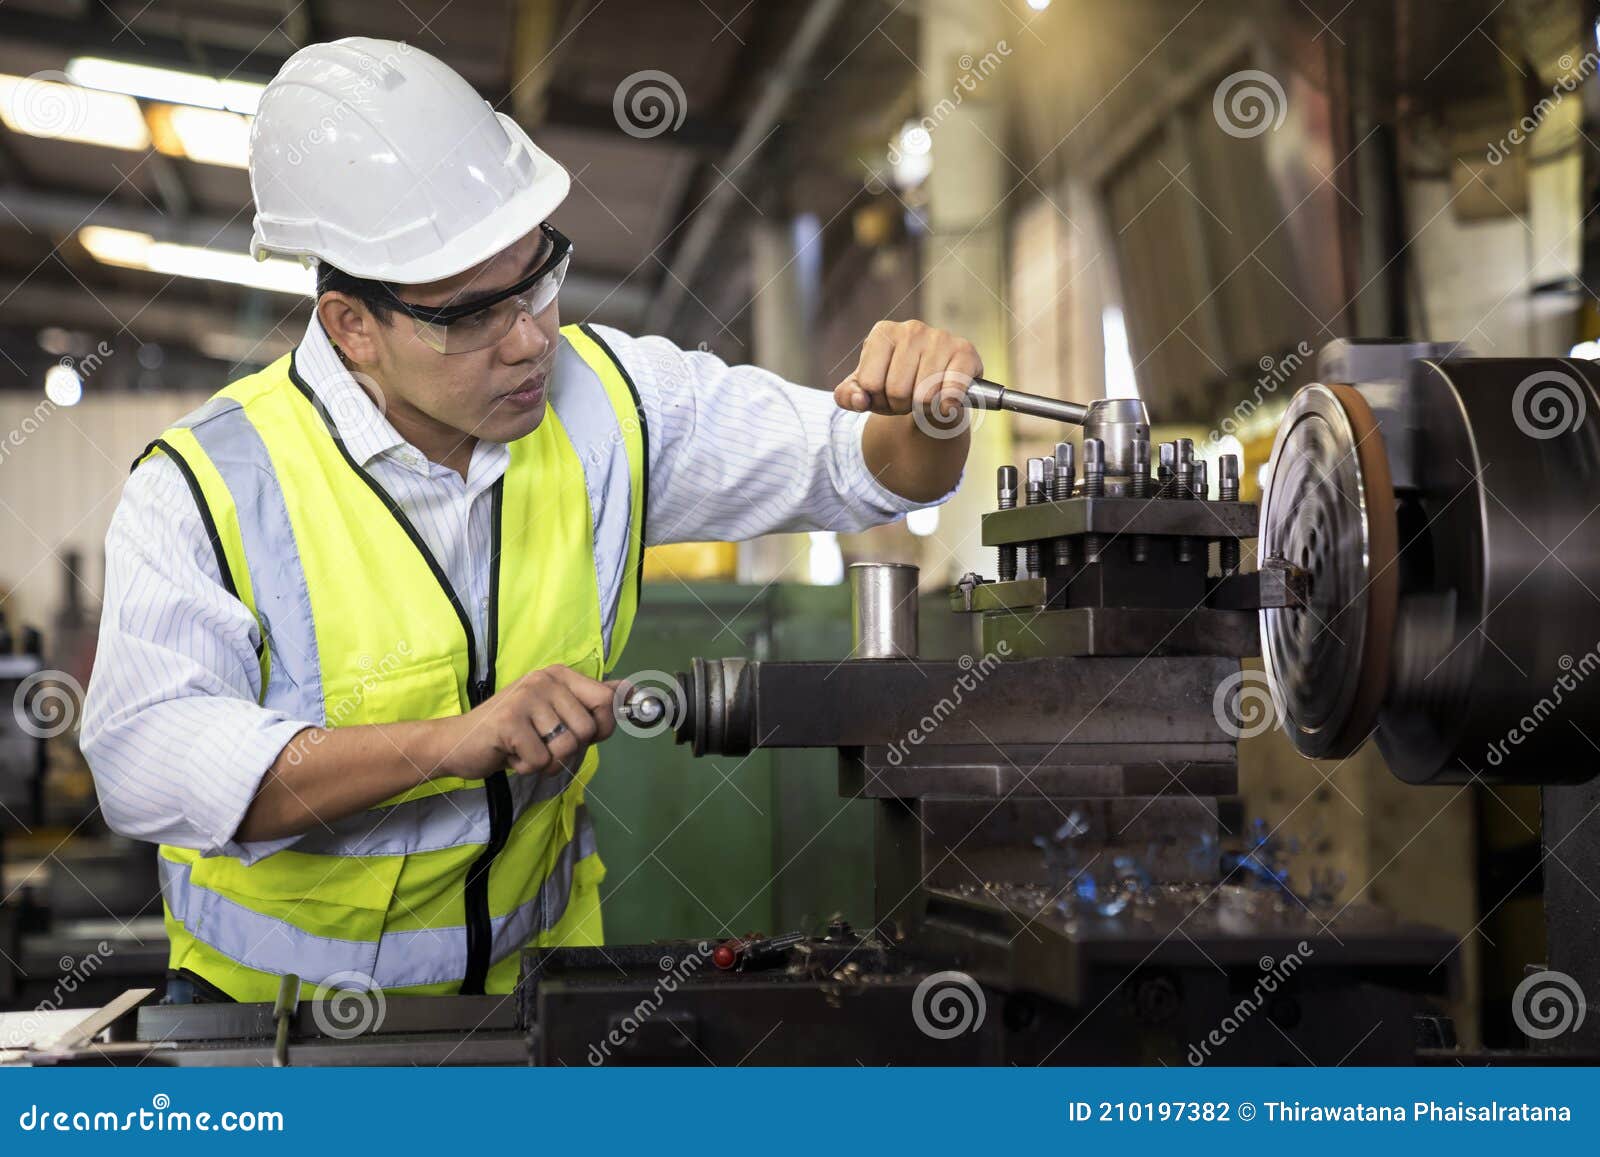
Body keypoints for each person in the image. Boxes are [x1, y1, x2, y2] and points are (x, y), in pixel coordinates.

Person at [81, 37, 981, 1001]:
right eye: (472, 314)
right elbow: (144, 762)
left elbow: (868, 466)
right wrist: (449, 742)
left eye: (540, 275)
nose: (529, 339)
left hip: (534, 1004)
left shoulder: (612, 408)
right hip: (277, 1026)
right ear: (353, 326)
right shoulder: (207, 485)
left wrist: (928, 408)